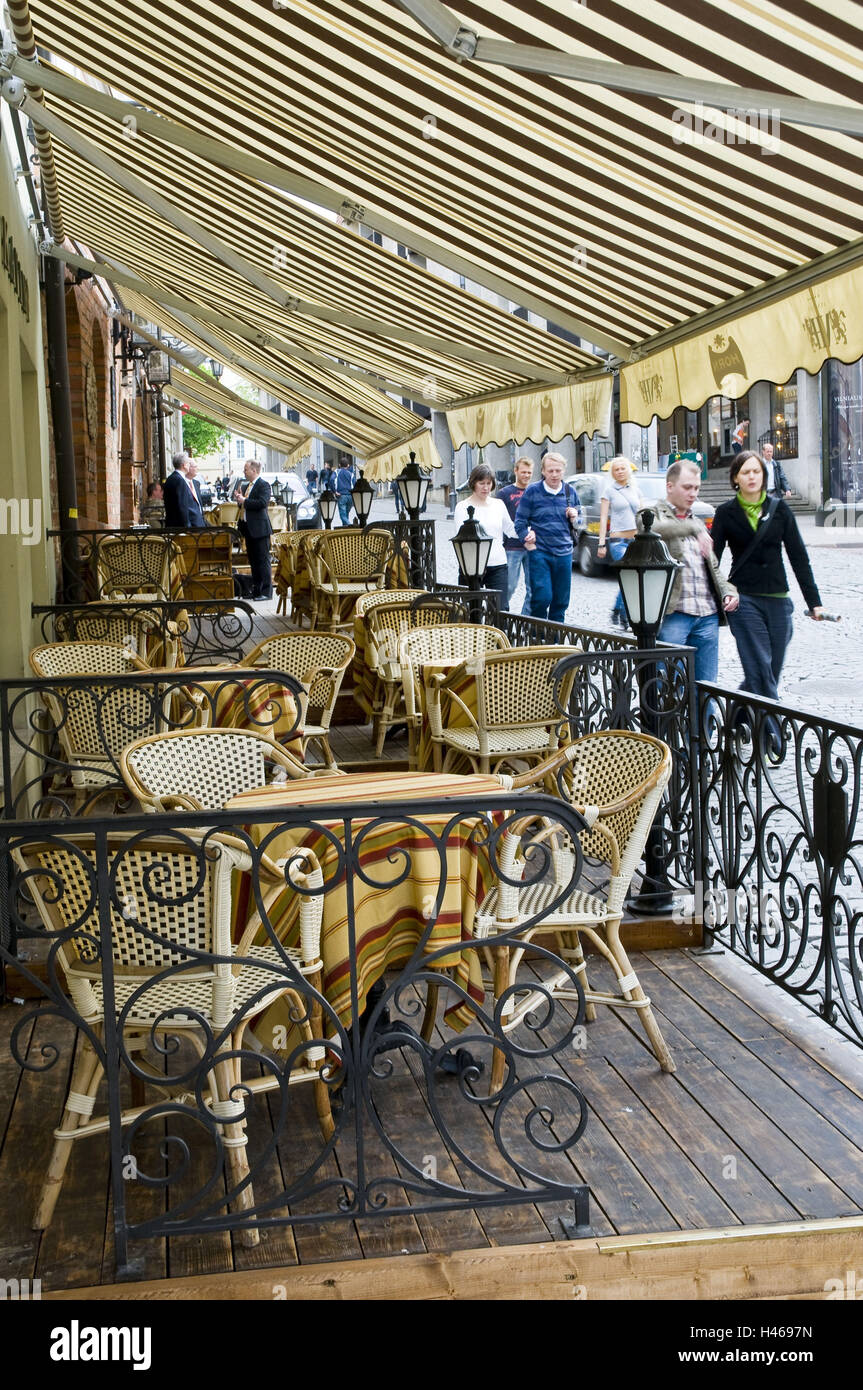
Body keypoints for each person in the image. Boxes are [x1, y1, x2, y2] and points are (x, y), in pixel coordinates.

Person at [711, 451, 824, 747]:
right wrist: (720, 595)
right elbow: (714, 559)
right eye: (745, 472)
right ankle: (775, 734)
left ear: (764, 475)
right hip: (743, 599)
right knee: (760, 666)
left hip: (778, 599)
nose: (751, 477)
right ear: (735, 477)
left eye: (756, 472)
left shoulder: (780, 509)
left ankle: (737, 716)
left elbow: (799, 557)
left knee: (768, 670)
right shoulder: (725, 512)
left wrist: (814, 602)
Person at [642, 460, 738, 682]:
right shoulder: (653, 513)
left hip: (707, 616)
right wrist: (694, 528)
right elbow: (651, 529)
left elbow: (712, 567)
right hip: (675, 614)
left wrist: (727, 590)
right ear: (669, 487)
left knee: (707, 688)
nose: (693, 493)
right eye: (687, 487)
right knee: (669, 686)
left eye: (696, 488)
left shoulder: (696, 522)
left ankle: (704, 719)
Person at [514, 451, 581, 623]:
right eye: (550, 471)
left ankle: (555, 640)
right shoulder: (533, 491)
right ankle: (538, 636)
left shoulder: (570, 492)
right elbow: (520, 522)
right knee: (542, 597)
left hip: (564, 552)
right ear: (543, 471)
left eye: (558, 470)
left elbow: (579, 522)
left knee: (561, 602)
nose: (554, 474)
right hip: (540, 552)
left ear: (563, 471)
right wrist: (526, 538)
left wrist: (575, 517)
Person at [452, 463, 517, 602]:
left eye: (489, 483)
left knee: (501, 609)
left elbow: (510, 529)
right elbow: (461, 538)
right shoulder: (462, 507)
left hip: (497, 565)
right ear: (473, 483)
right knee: (470, 610)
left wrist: (527, 533)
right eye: (482, 483)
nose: (486, 487)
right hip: (471, 567)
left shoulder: (498, 504)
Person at [597, 455, 642, 629]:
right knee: (628, 575)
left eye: (623, 468)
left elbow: (642, 514)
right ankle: (624, 615)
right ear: (612, 473)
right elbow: (603, 518)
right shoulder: (609, 491)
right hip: (618, 541)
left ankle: (617, 609)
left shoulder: (636, 490)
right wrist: (601, 543)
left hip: (635, 541)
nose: (620, 471)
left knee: (633, 578)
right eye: (616, 469)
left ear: (628, 470)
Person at [497, 456, 534, 612]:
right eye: (523, 472)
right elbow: (499, 520)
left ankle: (525, 620)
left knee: (533, 588)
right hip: (512, 547)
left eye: (529, 473)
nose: (526, 475)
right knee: (510, 586)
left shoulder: (535, 491)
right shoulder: (504, 493)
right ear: (516, 471)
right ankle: (501, 614)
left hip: (532, 546)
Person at [233, 458, 273, 599]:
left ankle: (266, 592)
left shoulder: (263, 485)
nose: (244, 472)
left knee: (263, 560)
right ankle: (256, 590)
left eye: (246, 469)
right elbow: (245, 506)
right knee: (253, 561)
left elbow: (262, 503)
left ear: (254, 470)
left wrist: (245, 500)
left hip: (260, 529)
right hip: (248, 529)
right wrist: (240, 500)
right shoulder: (246, 486)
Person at [163, 452, 205, 529]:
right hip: (181, 528)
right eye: (188, 464)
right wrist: (187, 527)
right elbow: (182, 506)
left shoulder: (172, 478)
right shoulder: (179, 480)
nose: (189, 466)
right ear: (184, 465)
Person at [335, 461, 355, 526]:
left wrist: (334, 491)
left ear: (339, 465)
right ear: (348, 465)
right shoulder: (351, 474)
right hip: (350, 496)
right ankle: (345, 529)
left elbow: (331, 480)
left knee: (343, 515)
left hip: (341, 495)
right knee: (346, 514)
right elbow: (354, 484)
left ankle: (350, 526)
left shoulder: (337, 472)